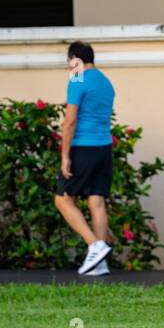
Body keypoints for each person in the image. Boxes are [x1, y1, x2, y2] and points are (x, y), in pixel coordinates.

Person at [53, 41, 116, 276]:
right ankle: (100, 264)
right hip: (103, 148)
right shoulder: (104, 81)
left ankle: (95, 244)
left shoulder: (77, 78)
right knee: (96, 201)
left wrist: (65, 156)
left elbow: (70, 122)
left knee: (62, 199)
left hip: (83, 147)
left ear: (75, 59)